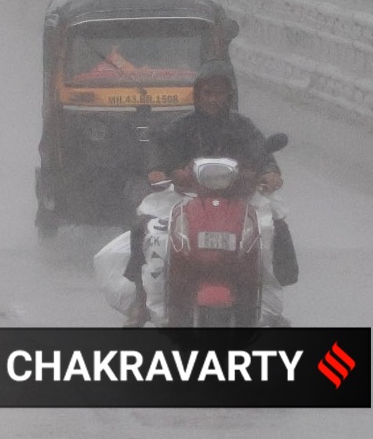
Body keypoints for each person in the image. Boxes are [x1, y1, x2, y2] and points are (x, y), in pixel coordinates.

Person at [122, 59, 292, 325]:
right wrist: (157, 169)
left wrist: (270, 173)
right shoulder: (181, 126)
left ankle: (273, 308)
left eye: (219, 93)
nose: (213, 99)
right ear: (197, 94)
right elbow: (160, 149)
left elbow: (262, 153)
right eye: (207, 93)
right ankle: (141, 301)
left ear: (230, 95)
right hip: (185, 197)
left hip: (238, 197)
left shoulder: (243, 127)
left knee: (275, 225)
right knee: (145, 225)